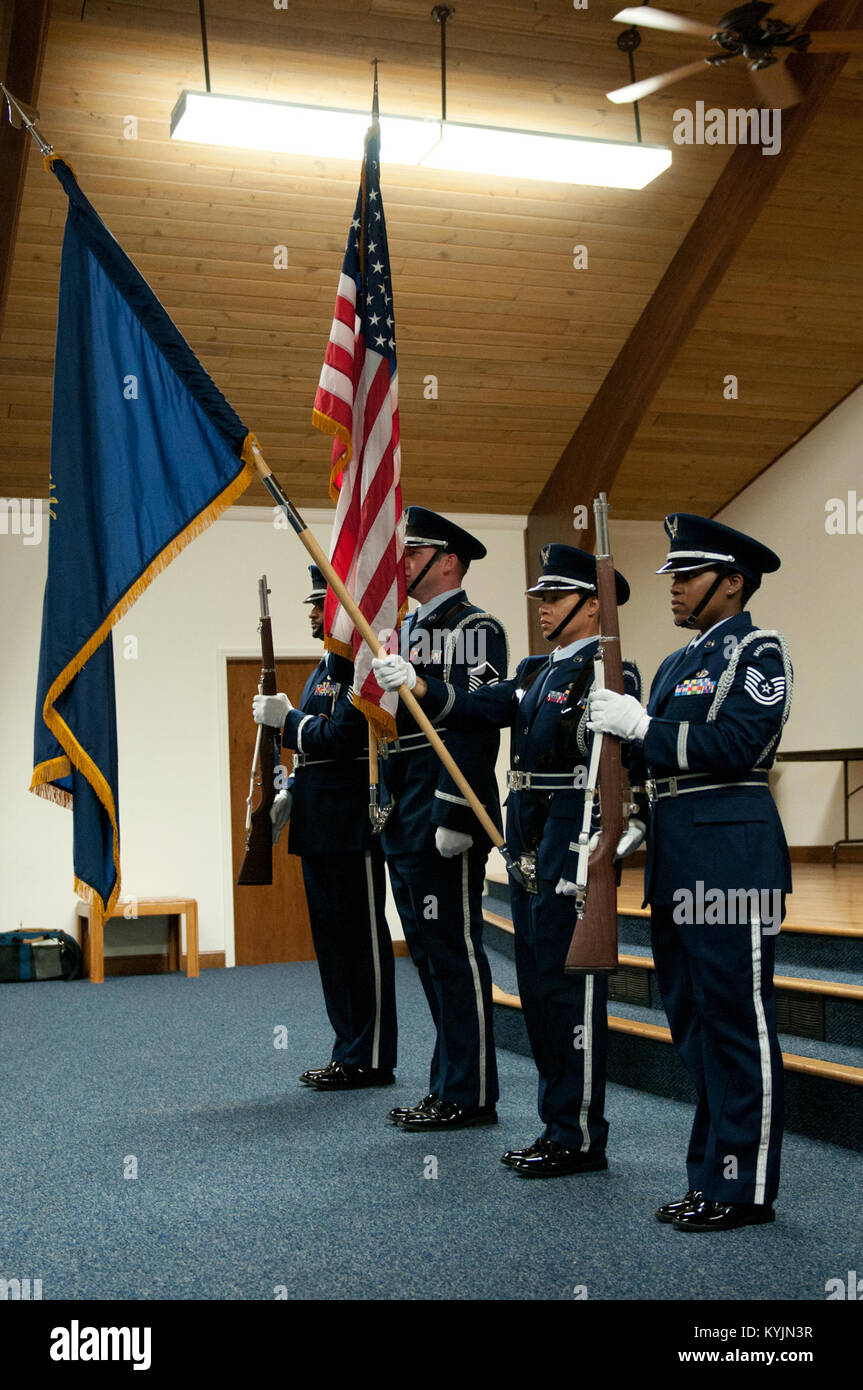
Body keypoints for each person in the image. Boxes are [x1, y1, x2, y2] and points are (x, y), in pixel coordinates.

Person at [375, 544, 643, 1175]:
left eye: (556, 597)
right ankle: (558, 1126)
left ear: (593, 603)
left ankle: (578, 1134)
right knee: (537, 985)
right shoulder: (535, 668)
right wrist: (416, 682)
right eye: (541, 597)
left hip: (572, 837)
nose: (544, 608)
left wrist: (595, 854)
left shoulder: (611, 672)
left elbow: (606, 768)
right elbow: (481, 707)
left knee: (569, 990)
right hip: (527, 838)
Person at [588, 513, 792, 1231]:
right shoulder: (676, 665)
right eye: (671, 576)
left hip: (731, 861)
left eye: (686, 576)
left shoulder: (758, 649)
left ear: (731, 583)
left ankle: (744, 1188)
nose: (672, 588)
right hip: (677, 858)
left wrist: (642, 727)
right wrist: (627, 808)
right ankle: (710, 1177)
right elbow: (655, 763)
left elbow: (738, 741)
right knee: (694, 1025)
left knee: (738, 1023)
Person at [377, 506, 509, 1131]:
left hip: (441, 799)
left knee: (454, 949)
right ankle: (449, 1081)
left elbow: (478, 721)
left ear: (447, 560)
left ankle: (472, 1090)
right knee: (428, 953)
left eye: (411, 553)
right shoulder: (402, 630)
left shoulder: (475, 628)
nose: (400, 563)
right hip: (404, 801)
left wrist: (459, 810)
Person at [252, 565, 397, 1091]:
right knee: (333, 945)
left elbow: (343, 737)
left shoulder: (364, 666)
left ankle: (374, 1053)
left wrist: (287, 719)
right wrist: (290, 789)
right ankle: (349, 1049)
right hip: (317, 820)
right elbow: (318, 749)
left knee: (362, 941)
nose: (313, 613)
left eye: (320, 604)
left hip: (351, 821)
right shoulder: (325, 667)